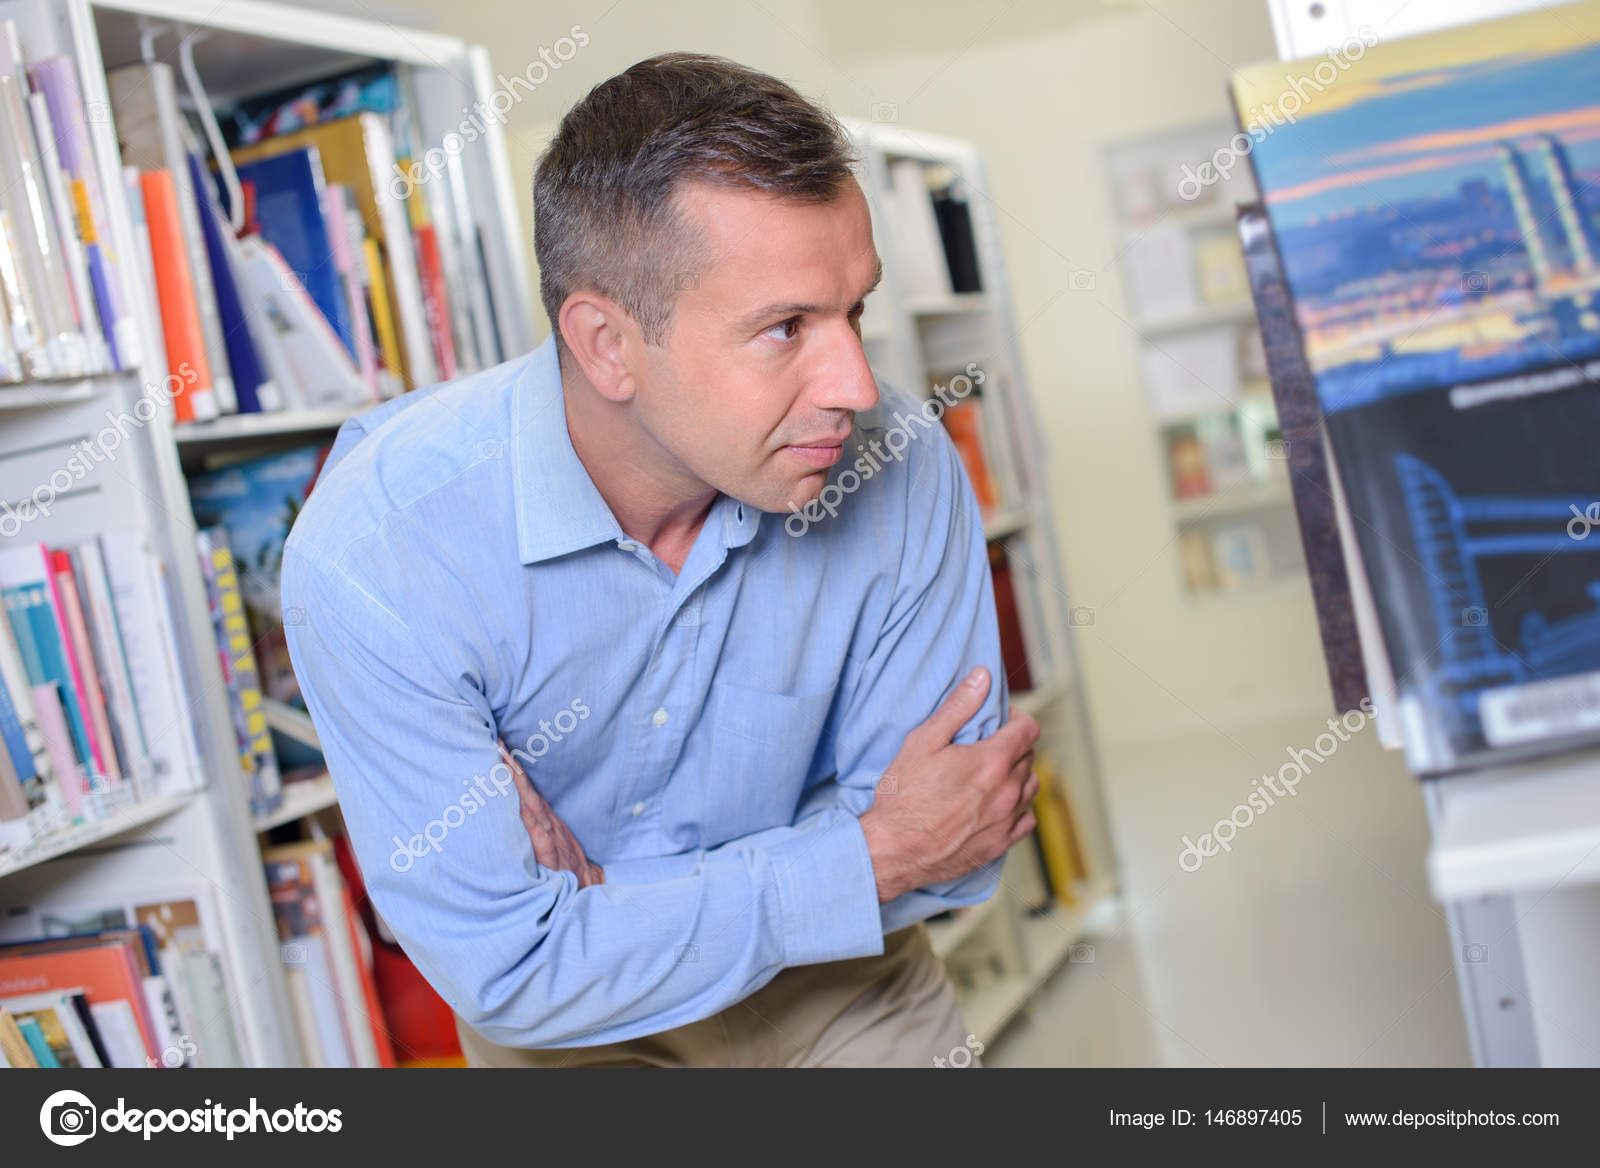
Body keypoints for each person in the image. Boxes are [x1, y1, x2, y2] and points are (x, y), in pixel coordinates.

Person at [280, 51, 1040, 1068]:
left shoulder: (897, 465)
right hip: (577, 1045)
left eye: (854, 309)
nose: (857, 386)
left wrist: (605, 903)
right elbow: (515, 970)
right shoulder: (380, 553)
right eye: (785, 328)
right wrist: (865, 852)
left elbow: (955, 850)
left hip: (852, 992)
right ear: (606, 345)